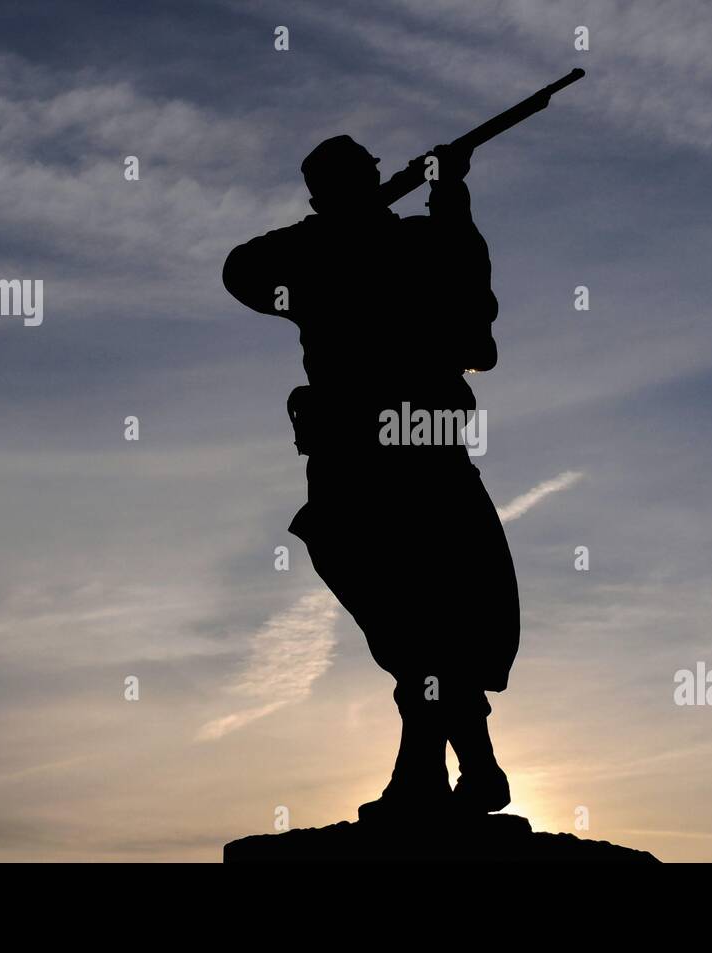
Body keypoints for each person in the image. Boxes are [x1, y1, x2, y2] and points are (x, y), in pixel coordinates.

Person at [222, 134, 520, 823]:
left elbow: (476, 324)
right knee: (404, 612)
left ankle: (441, 773)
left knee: (426, 612)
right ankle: (469, 766)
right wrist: (382, 214)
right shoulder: (319, 254)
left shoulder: (414, 245)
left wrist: (448, 198)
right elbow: (243, 272)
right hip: (354, 455)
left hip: (419, 447)